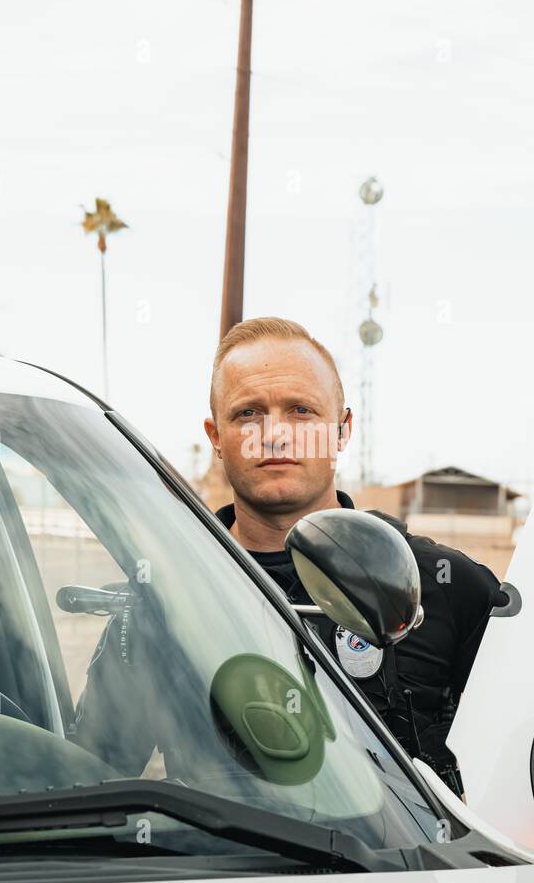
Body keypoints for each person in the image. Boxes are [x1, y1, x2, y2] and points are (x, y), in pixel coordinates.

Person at [204, 316, 505, 792]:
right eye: (247, 414)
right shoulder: (173, 587)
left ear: (342, 430)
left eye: (301, 411)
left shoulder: (445, 585)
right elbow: (100, 759)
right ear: (215, 437)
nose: (276, 434)